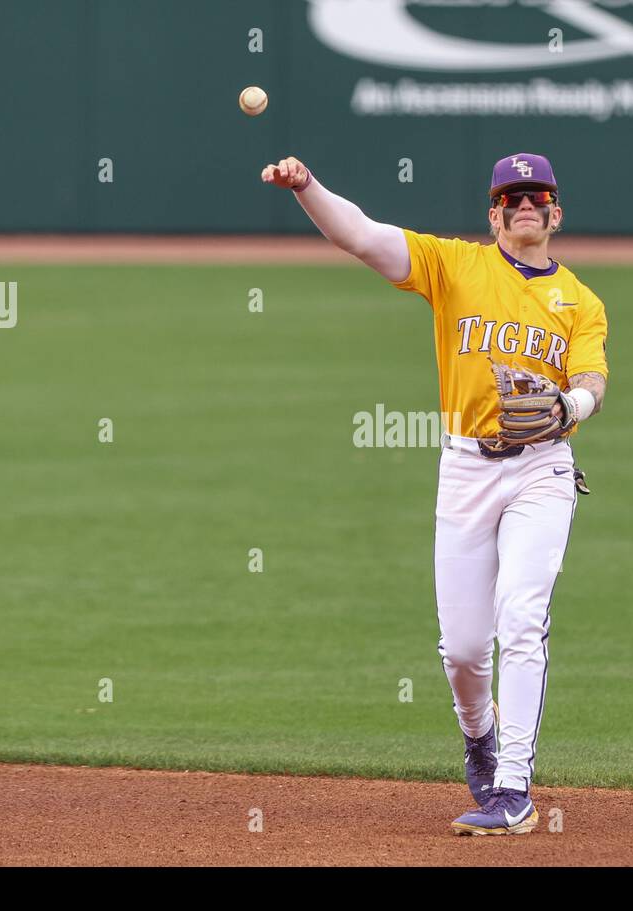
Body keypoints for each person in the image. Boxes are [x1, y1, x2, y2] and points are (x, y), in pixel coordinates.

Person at [260, 152, 609, 835]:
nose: (525, 204)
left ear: (556, 213)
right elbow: (359, 236)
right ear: (494, 214)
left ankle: (514, 787)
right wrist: (308, 187)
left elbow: (592, 380)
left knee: (521, 618)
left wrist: (571, 405)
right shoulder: (455, 266)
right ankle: (479, 735)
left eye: (536, 195)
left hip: (543, 469)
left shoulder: (582, 302)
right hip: (466, 469)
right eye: (511, 196)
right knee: (464, 649)